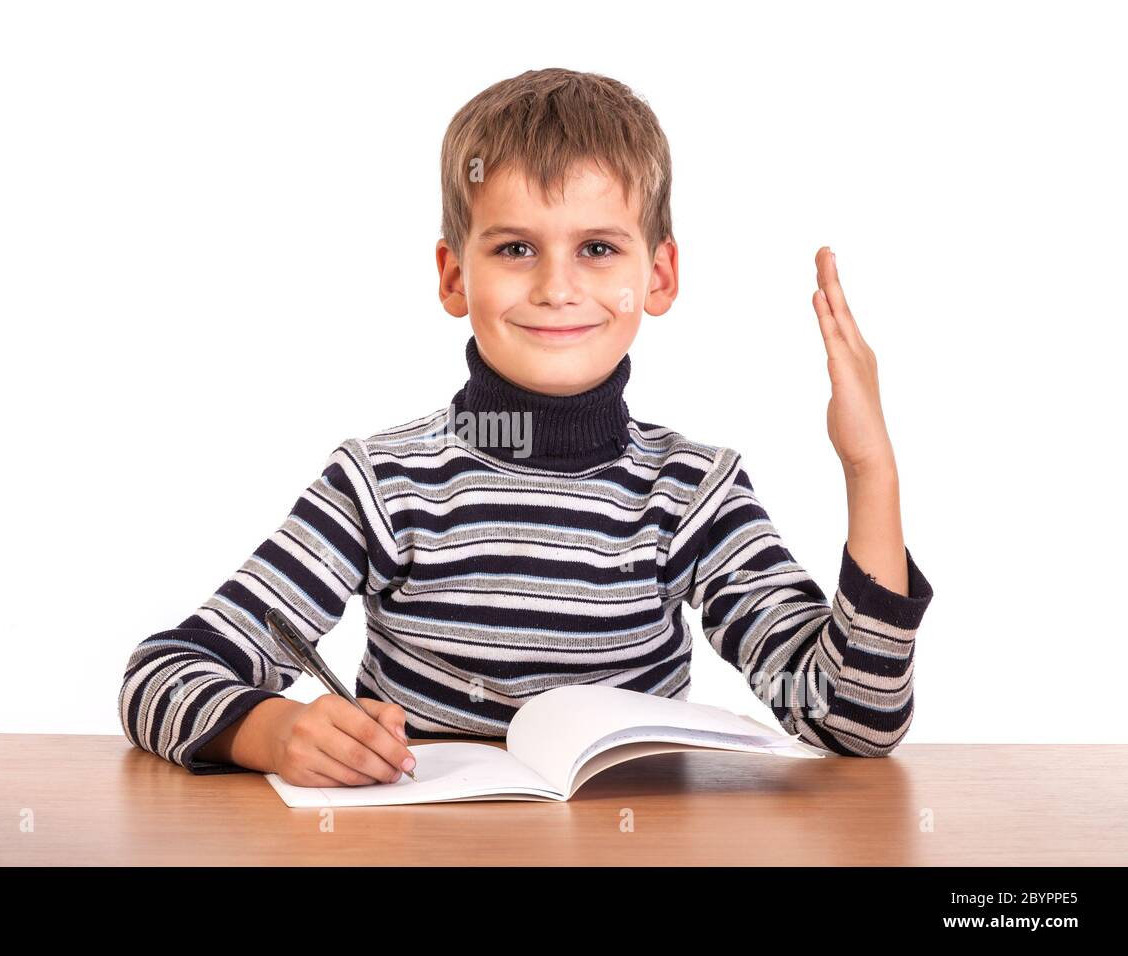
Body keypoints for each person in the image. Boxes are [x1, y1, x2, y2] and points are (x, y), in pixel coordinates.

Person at [118, 67, 933, 786]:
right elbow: (162, 674)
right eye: (514, 248)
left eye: (598, 249)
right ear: (452, 275)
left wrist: (871, 471)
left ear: (658, 275)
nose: (555, 287)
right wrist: (275, 731)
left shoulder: (694, 494)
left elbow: (851, 720)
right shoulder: (380, 485)